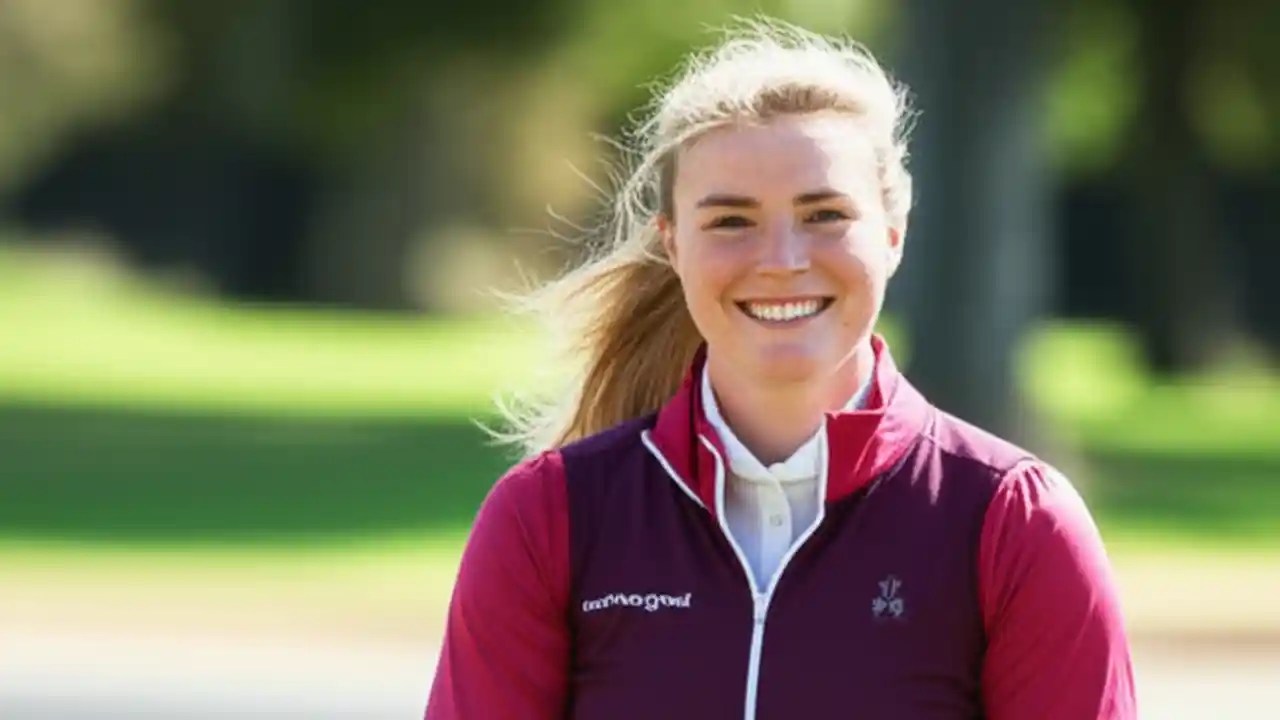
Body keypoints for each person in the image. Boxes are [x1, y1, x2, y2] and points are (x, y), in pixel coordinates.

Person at [425, 18, 1136, 720]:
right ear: (672, 244)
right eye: (731, 221)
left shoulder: (1014, 523)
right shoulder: (546, 516)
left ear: (892, 233)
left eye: (824, 214)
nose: (782, 260)